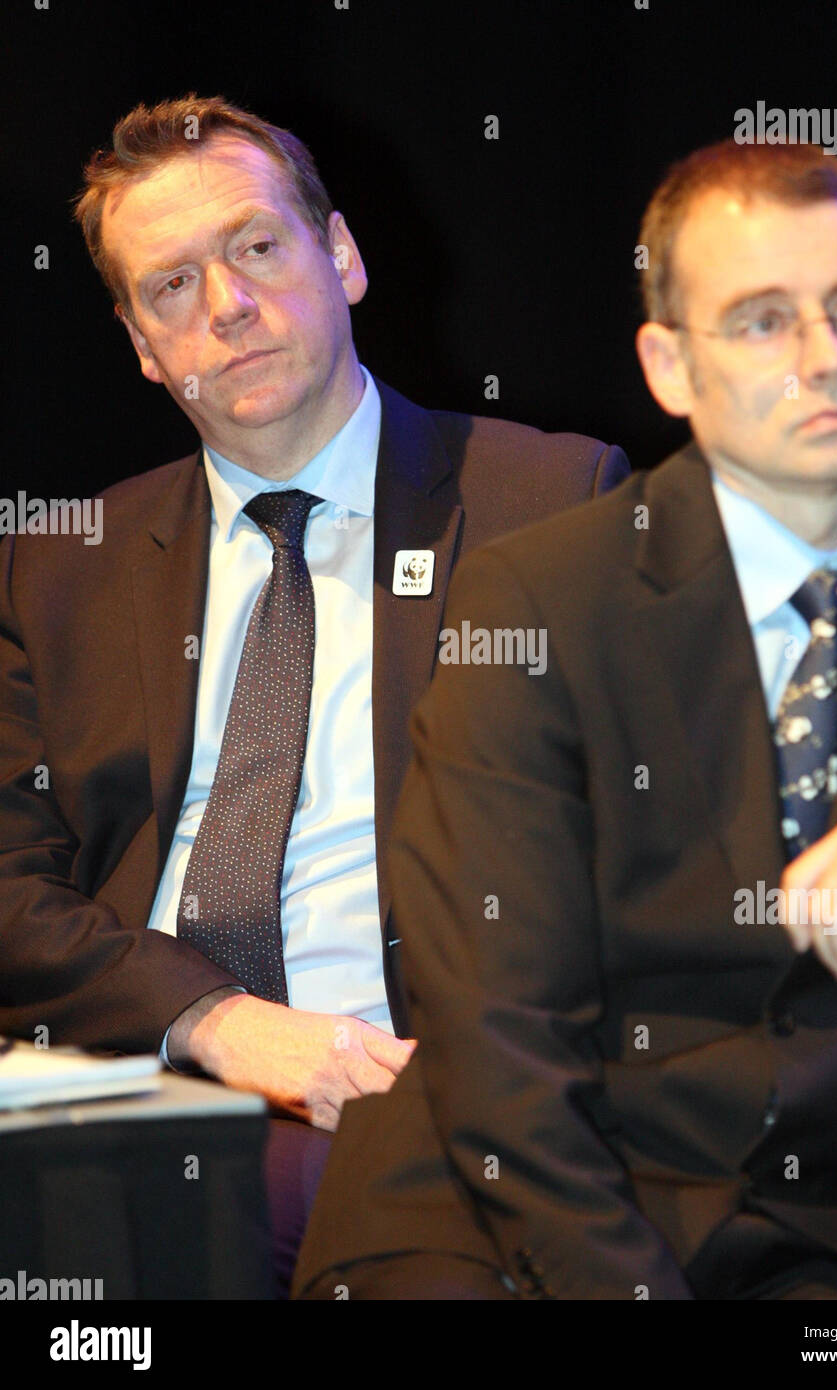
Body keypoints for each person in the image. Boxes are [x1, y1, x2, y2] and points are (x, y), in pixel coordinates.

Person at [294, 139, 837, 1300]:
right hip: (488, 1209)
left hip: (797, 1225)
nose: (825, 359)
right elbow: (491, 1030)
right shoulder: (542, 600)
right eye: (762, 321)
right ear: (668, 365)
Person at [0, 94, 628, 1294]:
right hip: (135, 1092)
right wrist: (221, 1026)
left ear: (339, 255)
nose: (228, 306)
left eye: (255, 247)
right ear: (138, 341)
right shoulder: (58, 564)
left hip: (422, 1100)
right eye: (171, 286)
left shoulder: (544, 502)